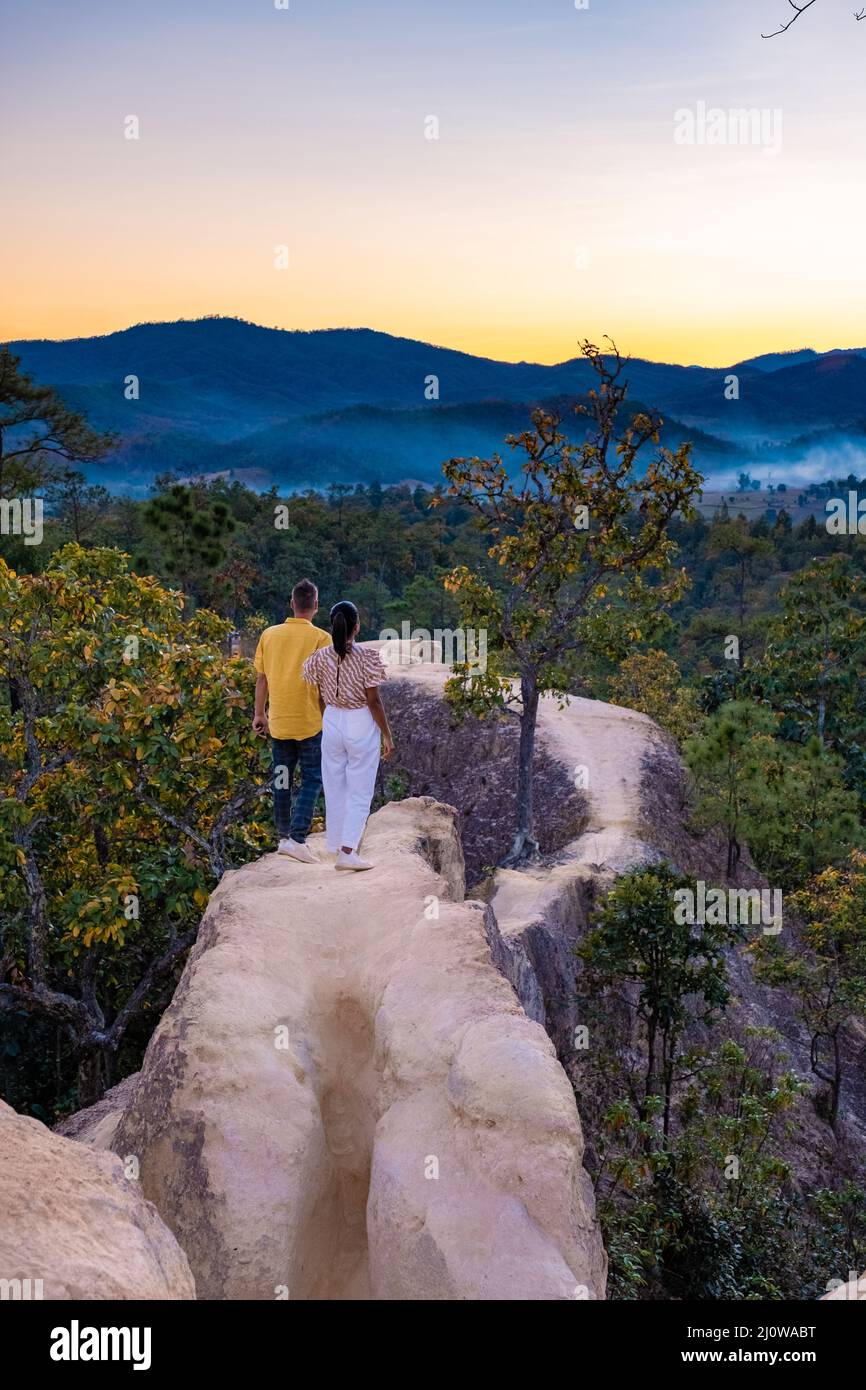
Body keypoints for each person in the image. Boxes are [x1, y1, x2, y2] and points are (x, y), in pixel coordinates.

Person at [302, 600, 394, 871]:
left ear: (333, 626)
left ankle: (337, 844)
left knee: (334, 786)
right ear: (357, 626)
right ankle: (347, 851)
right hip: (360, 720)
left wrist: (328, 715)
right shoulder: (368, 657)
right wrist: (387, 735)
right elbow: (374, 702)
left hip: (331, 719)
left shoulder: (319, 657)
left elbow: (317, 694)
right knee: (360, 788)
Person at [252, 578, 332, 863]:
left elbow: (262, 678)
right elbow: (324, 686)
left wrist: (259, 713)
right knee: (312, 777)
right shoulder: (321, 638)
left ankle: (283, 837)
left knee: (282, 779)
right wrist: (328, 718)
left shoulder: (269, 635)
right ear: (316, 607)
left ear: (292, 604)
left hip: (280, 721)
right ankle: (298, 839)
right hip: (310, 721)